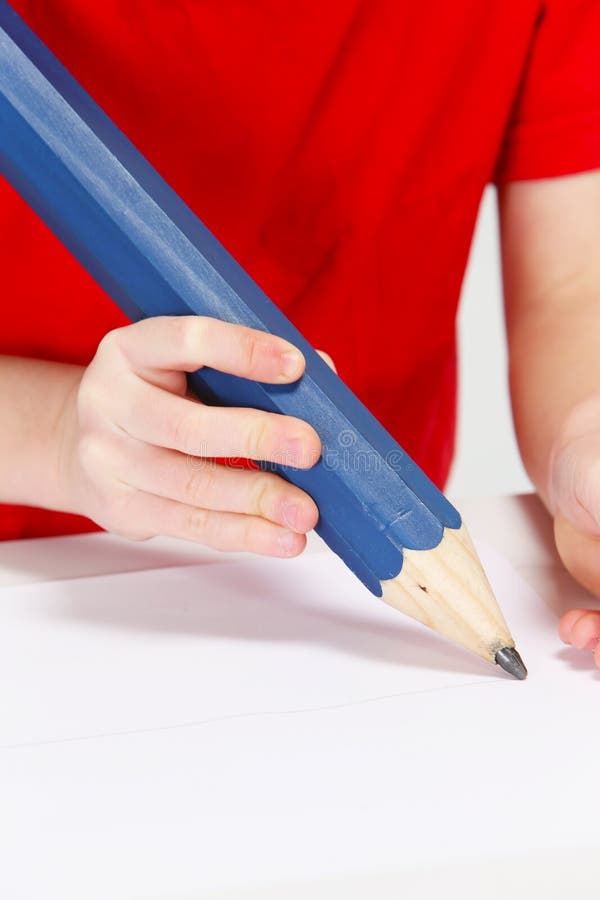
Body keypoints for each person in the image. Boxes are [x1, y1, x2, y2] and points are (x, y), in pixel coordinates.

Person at [1, 2, 600, 664]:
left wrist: (586, 434)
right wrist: (56, 439)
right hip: (30, 579)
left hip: (345, 574)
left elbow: (571, 285)